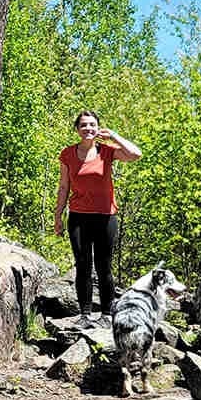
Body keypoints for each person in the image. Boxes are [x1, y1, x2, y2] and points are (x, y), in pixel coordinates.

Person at [54, 110, 142, 329]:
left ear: (98, 127)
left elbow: (136, 154)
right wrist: (58, 215)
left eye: (92, 125)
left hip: (105, 217)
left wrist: (113, 136)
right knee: (83, 265)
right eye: (83, 125)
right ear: (77, 129)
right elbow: (64, 187)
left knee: (104, 266)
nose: (88, 129)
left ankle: (106, 313)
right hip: (78, 217)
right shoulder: (67, 154)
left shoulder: (107, 151)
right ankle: (84, 314)